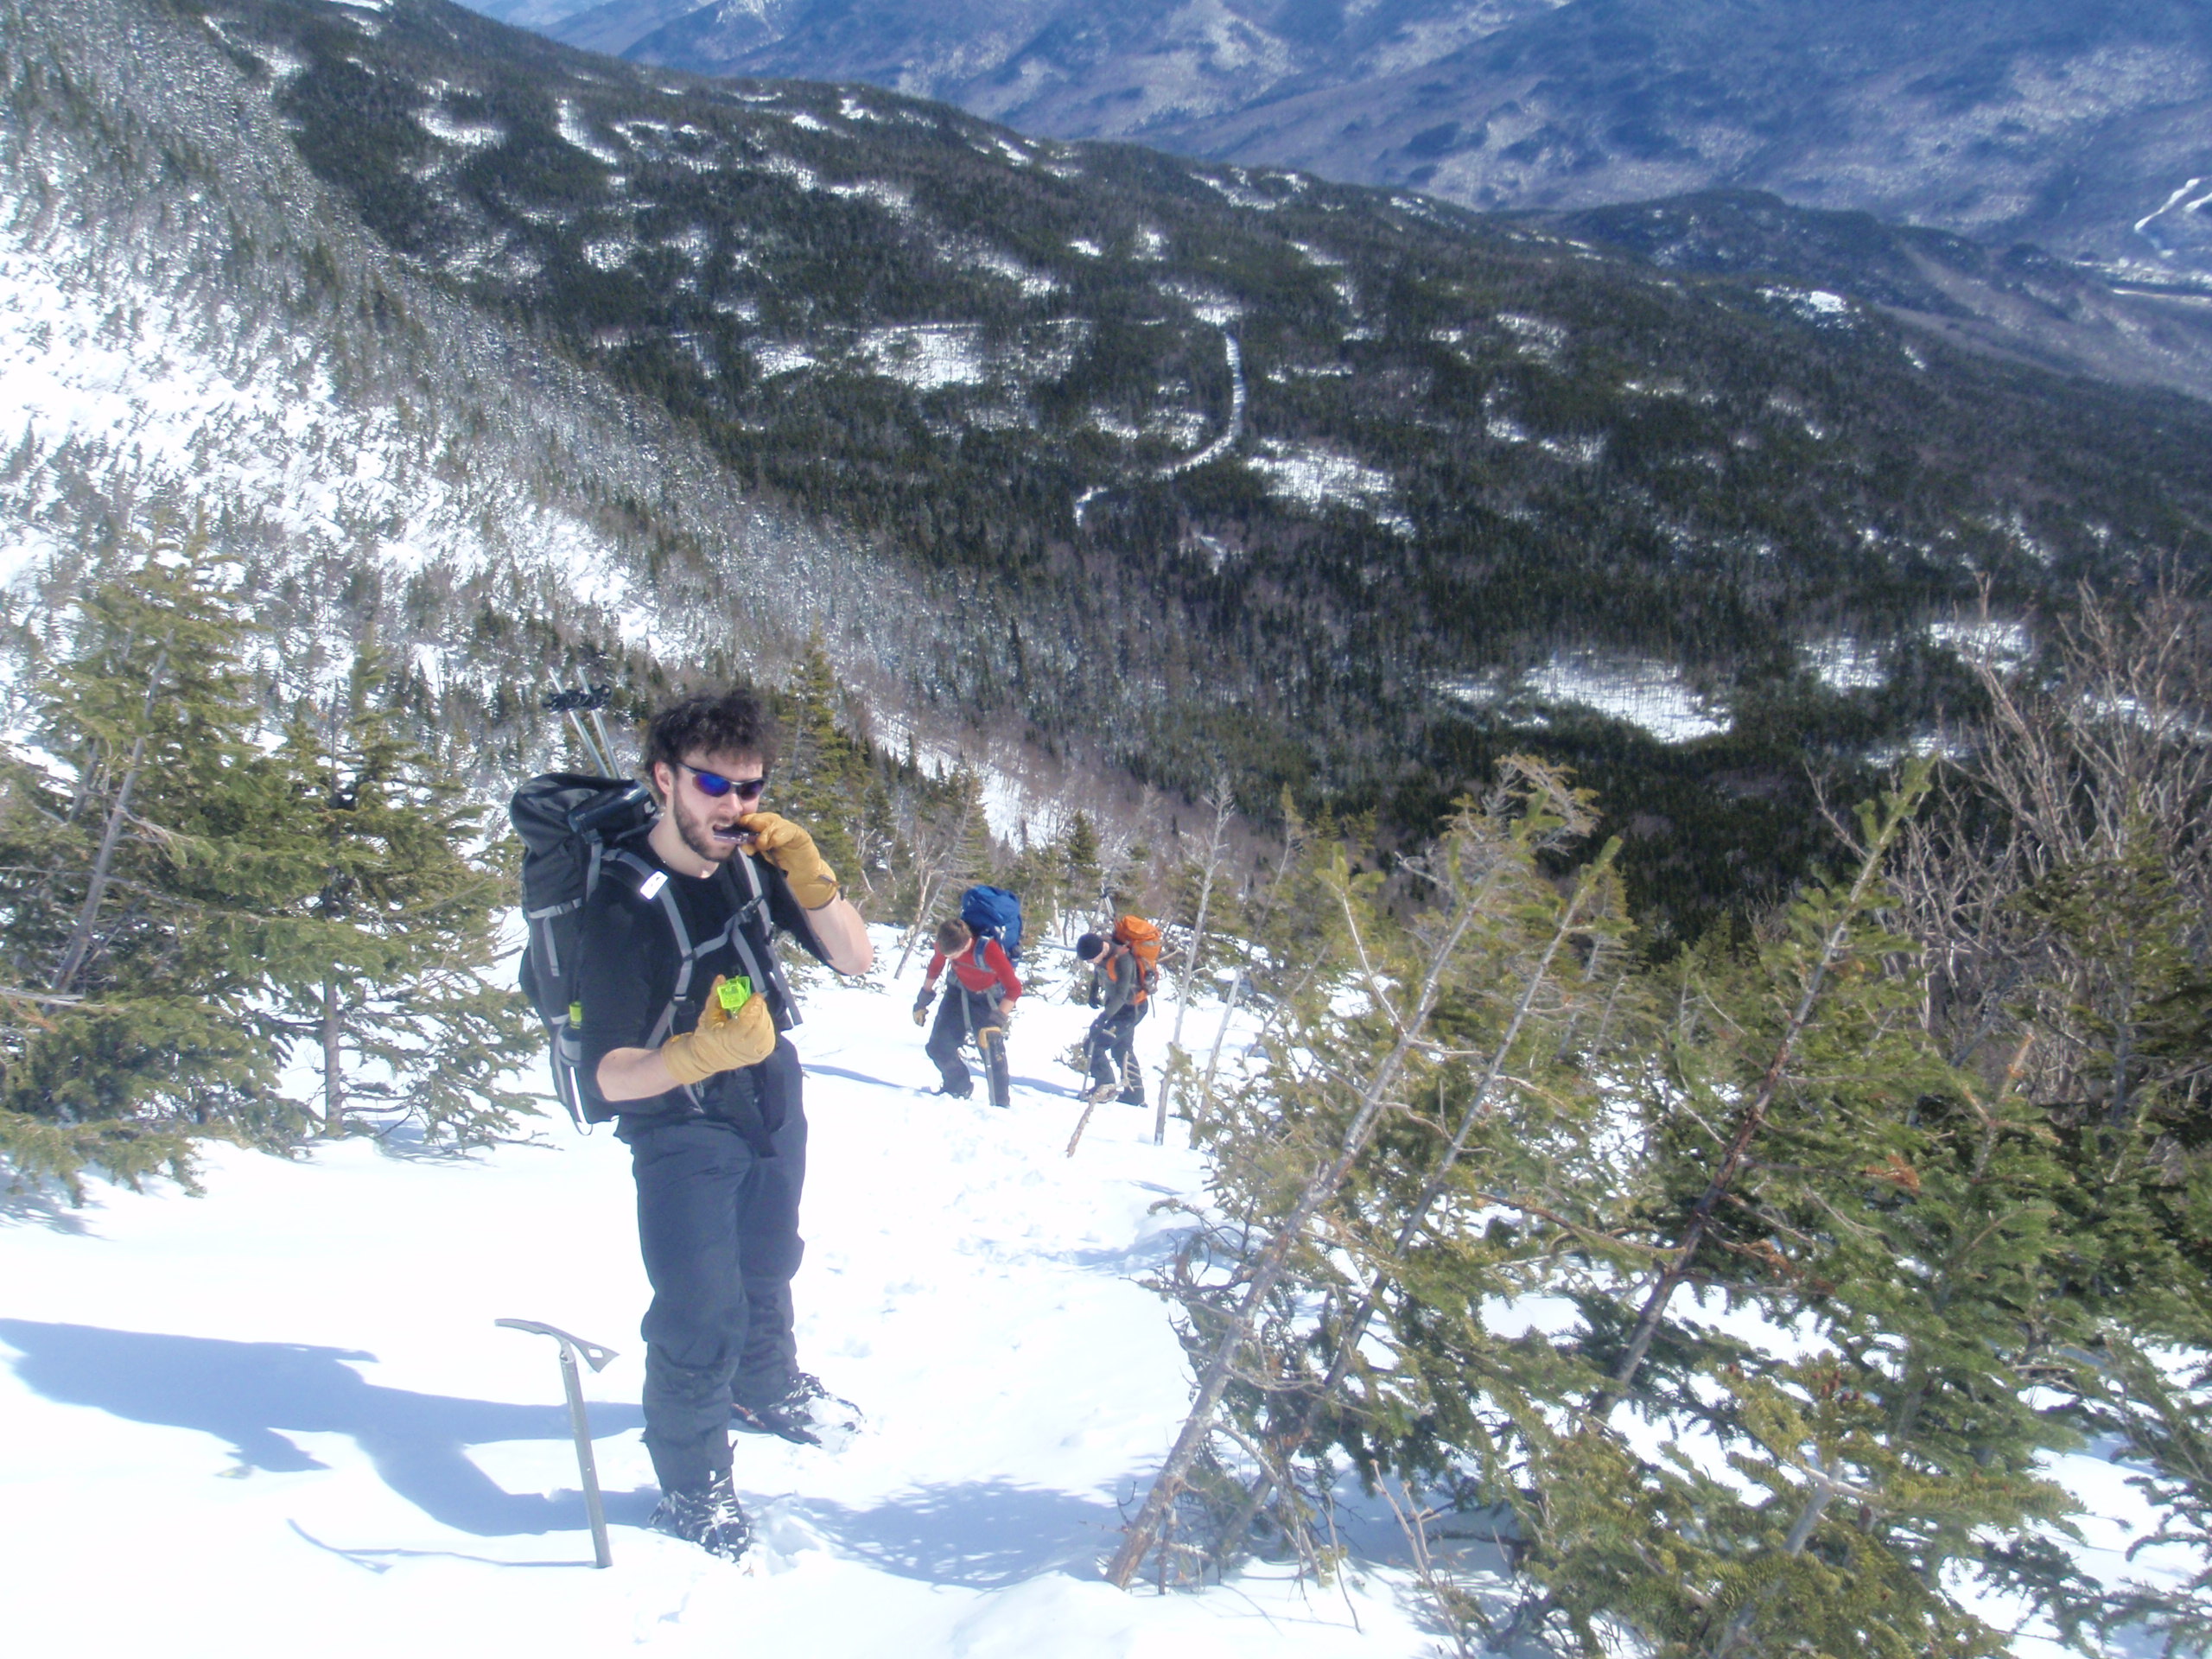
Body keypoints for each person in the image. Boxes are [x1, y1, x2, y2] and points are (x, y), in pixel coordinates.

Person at [575, 688, 873, 1562]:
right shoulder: (622, 902)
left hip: (767, 1087)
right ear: (664, 779)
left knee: (769, 1255)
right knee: (699, 1310)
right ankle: (692, 1483)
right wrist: (698, 1056)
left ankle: (767, 1383)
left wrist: (812, 882)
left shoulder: (753, 860)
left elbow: (854, 958)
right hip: (678, 1118)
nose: (735, 807)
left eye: (751, 787)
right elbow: (608, 1075)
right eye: (713, 785)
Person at [912, 917, 1021, 1104]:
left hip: (987, 999)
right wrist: (922, 1000)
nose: (952, 959)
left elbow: (1014, 989)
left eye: (955, 955)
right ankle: (957, 1087)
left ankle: (1000, 1104)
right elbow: (936, 966)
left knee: (992, 1054)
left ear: (965, 944)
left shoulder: (988, 949)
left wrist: (997, 1022)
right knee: (938, 1047)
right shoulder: (945, 943)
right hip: (958, 992)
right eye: (949, 956)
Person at [1075, 930, 1148, 1107]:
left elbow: (1122, 995)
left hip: (1130, 1011)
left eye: (1092, 959)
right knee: (1122, 1049)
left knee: (1095, 1044)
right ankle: (1135, 1094)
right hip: (1118, 1010)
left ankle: (1106, 1087)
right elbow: (1099, 971)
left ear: (1101, 951)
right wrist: (1094, 990)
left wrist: (1103, 1018)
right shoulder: (1101, 950)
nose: (1091, 963)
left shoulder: (1123, 959)